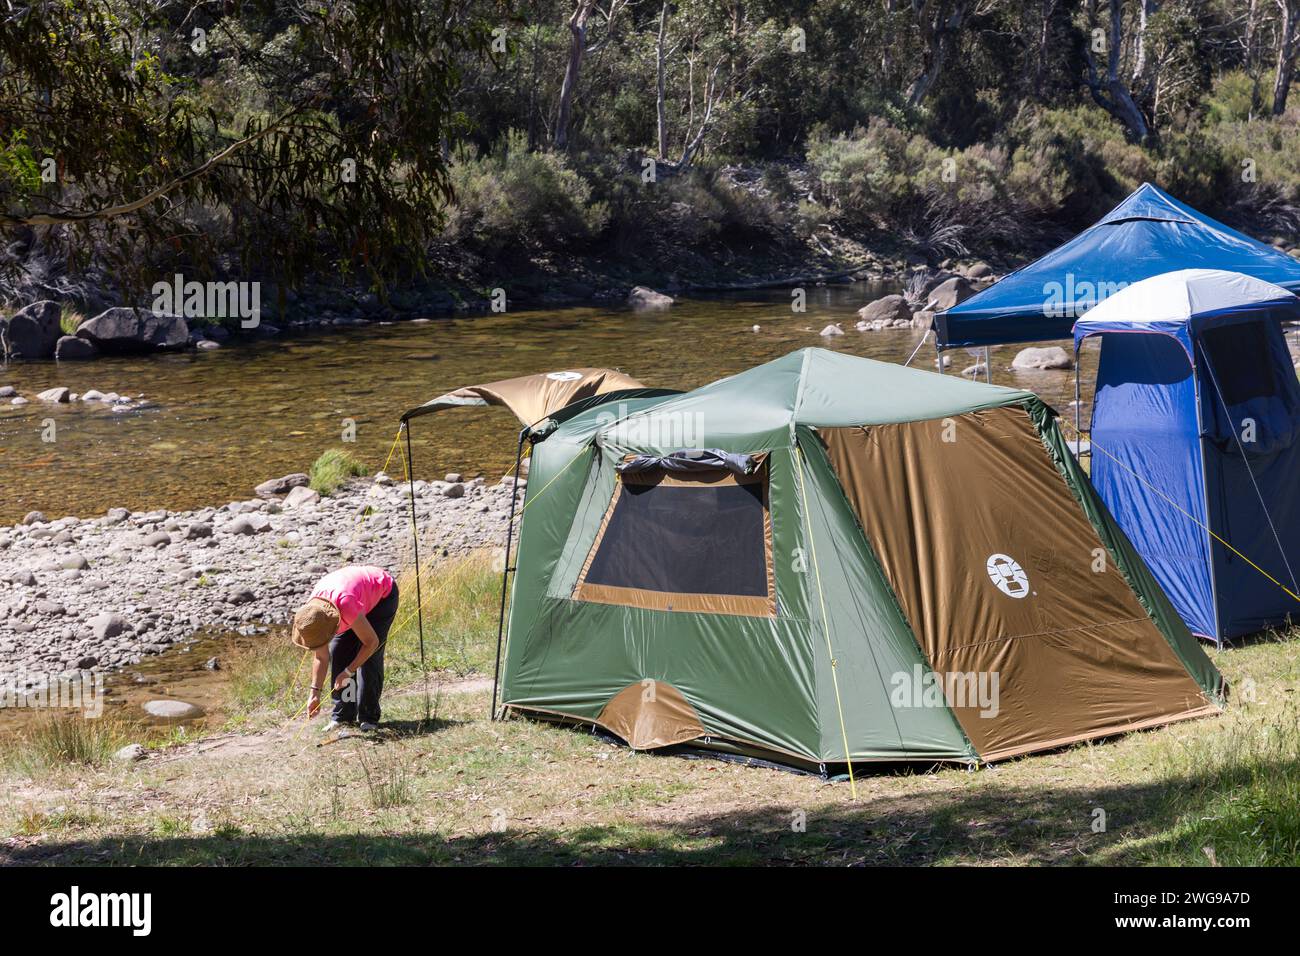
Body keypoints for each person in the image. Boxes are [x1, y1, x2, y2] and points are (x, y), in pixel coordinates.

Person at [290, 565, 399, 731]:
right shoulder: (311, 615)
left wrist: (348, 671)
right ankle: (343, 717)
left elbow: (371, 643)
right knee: (339, 652)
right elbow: (321, 657)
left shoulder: (344, 605)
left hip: (381, 596)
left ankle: (368, 718)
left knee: (369, 658)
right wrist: (315, 694)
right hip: (354, 597)